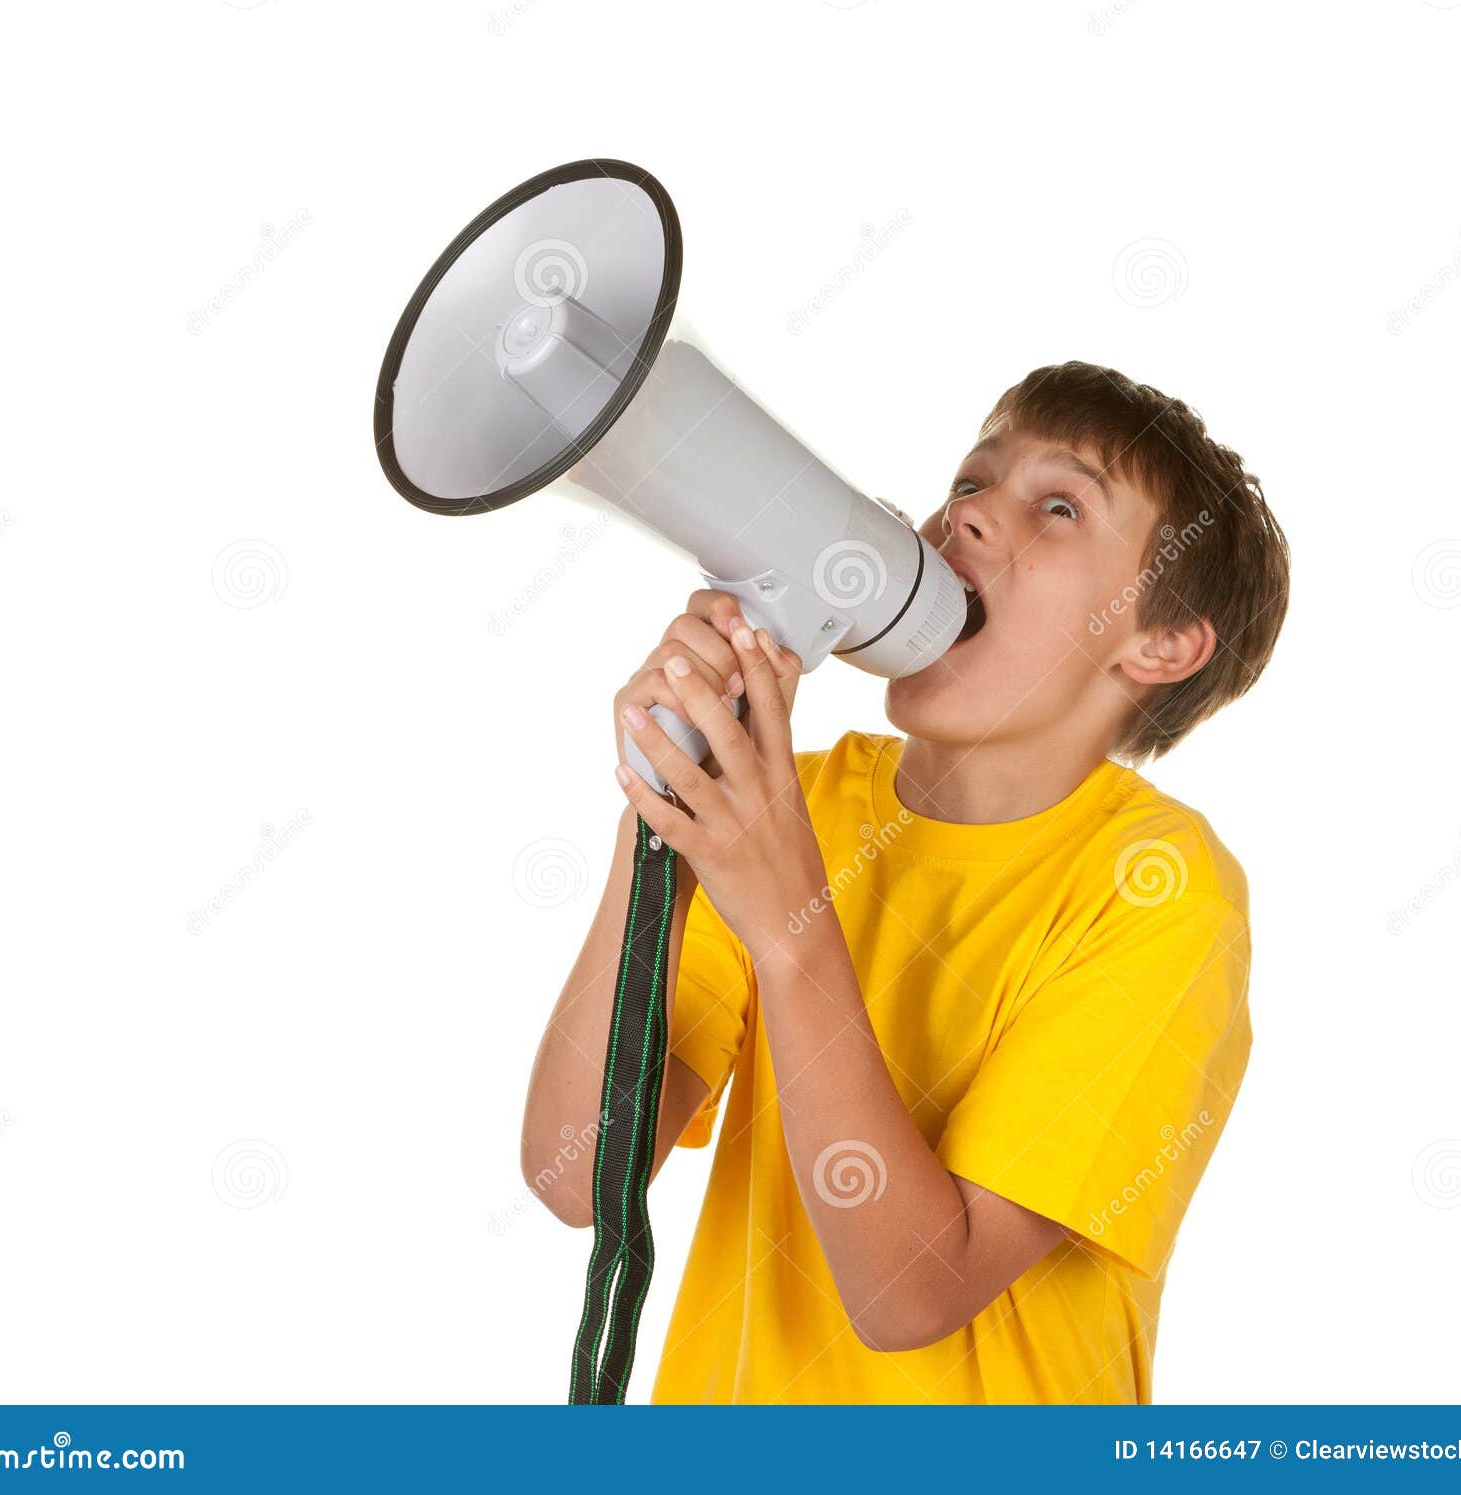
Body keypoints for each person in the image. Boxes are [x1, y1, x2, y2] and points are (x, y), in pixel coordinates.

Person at [522, 360, 1291, 1403]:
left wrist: (786, 923)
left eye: (1057, 506)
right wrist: (660, 804)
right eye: (971, 482)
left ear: (1160, 643)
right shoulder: (795, 804)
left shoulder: (1159, 892)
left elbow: (911, 1293)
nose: (964, 518)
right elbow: (577, 1174)